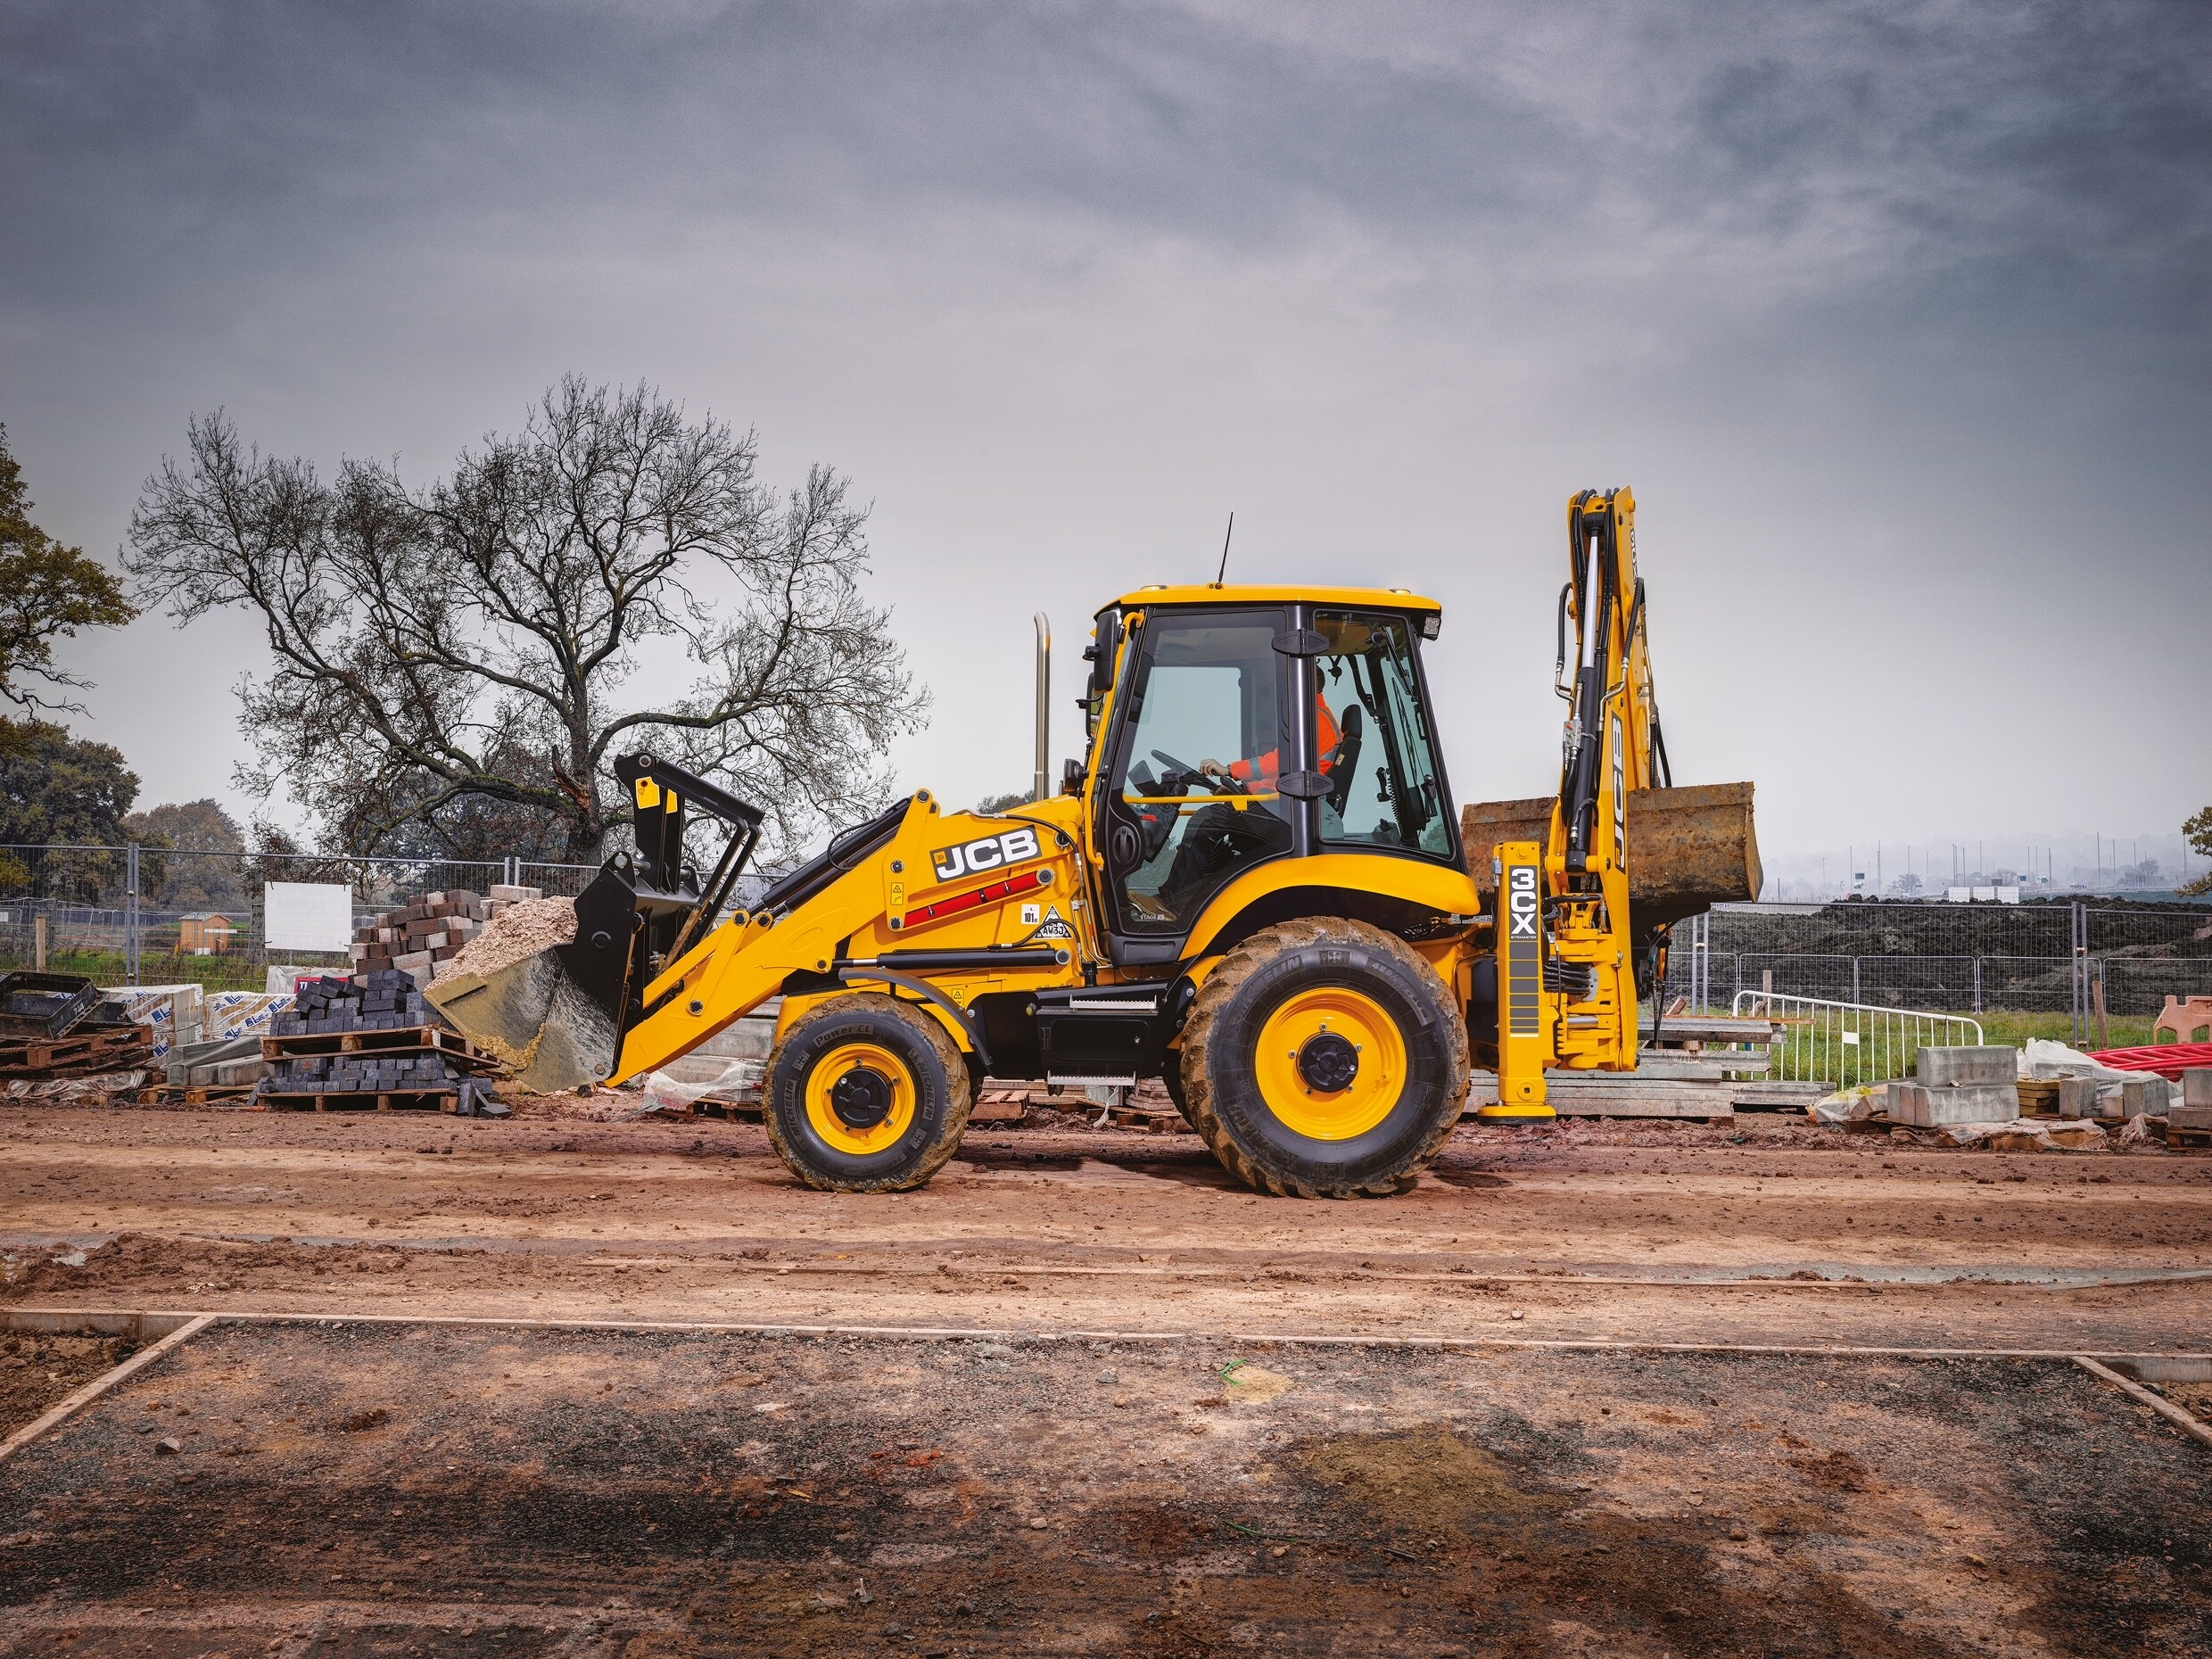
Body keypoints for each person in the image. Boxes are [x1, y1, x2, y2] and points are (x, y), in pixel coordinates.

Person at [1160, 693, 1344, 917]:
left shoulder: (1316, 719)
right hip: (1282, 807)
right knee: (1215, 820)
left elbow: (1279, 763)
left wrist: (1229, 770)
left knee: (1206, 820)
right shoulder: (1313, 717)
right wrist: (1244, 792)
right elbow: (1281, 776)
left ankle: (1173, 904)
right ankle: (1198, 900)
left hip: (1290, 815)